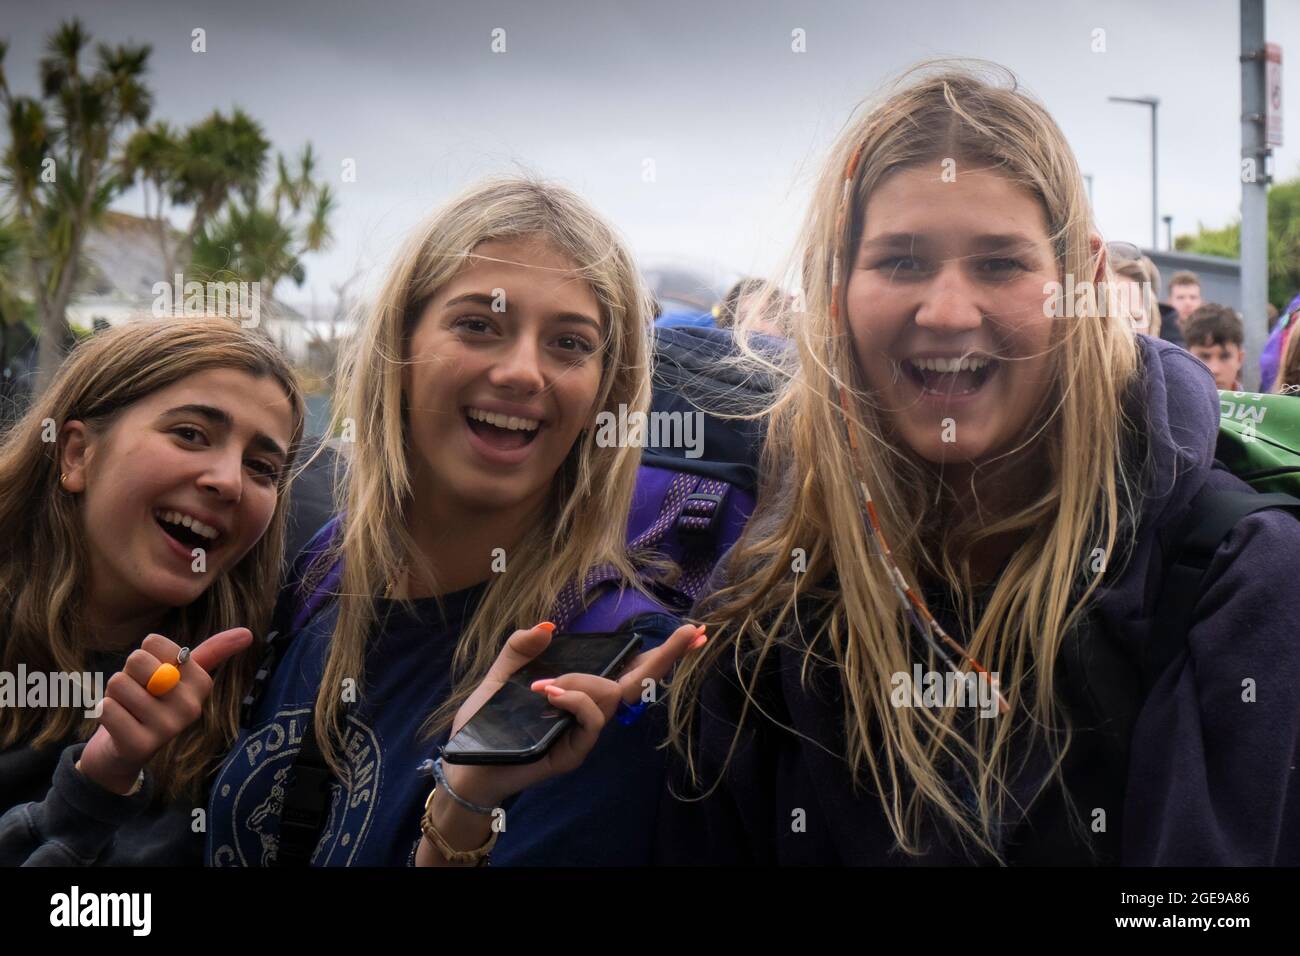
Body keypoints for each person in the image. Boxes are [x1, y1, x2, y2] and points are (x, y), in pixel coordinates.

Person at [659, 62, 1300, 866]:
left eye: (1000, 263)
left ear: (1085, 283)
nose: (949, 311)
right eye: (900, 261)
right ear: (835, 291)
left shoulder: (1240, 577)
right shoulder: (773, 589)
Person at [206, 177, 704, 867]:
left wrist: (462, 812)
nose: (523, 372)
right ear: (399, 349)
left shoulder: (609, 667)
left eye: (569, 343)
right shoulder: (322, 568)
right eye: (478, 324)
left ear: (604, 395)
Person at [0, 317, 305, 865]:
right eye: (190, 434)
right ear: (76, 454)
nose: (229, 481)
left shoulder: (251, 702)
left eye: (261, 467)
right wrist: (94, 786)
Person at [1183, 304, 1246, 391]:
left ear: (1239, 359)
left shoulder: (1256, 404)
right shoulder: (1169, 403)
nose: (1214, 369)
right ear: (1186, 358)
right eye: (1204, 356)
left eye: (1225, 357)